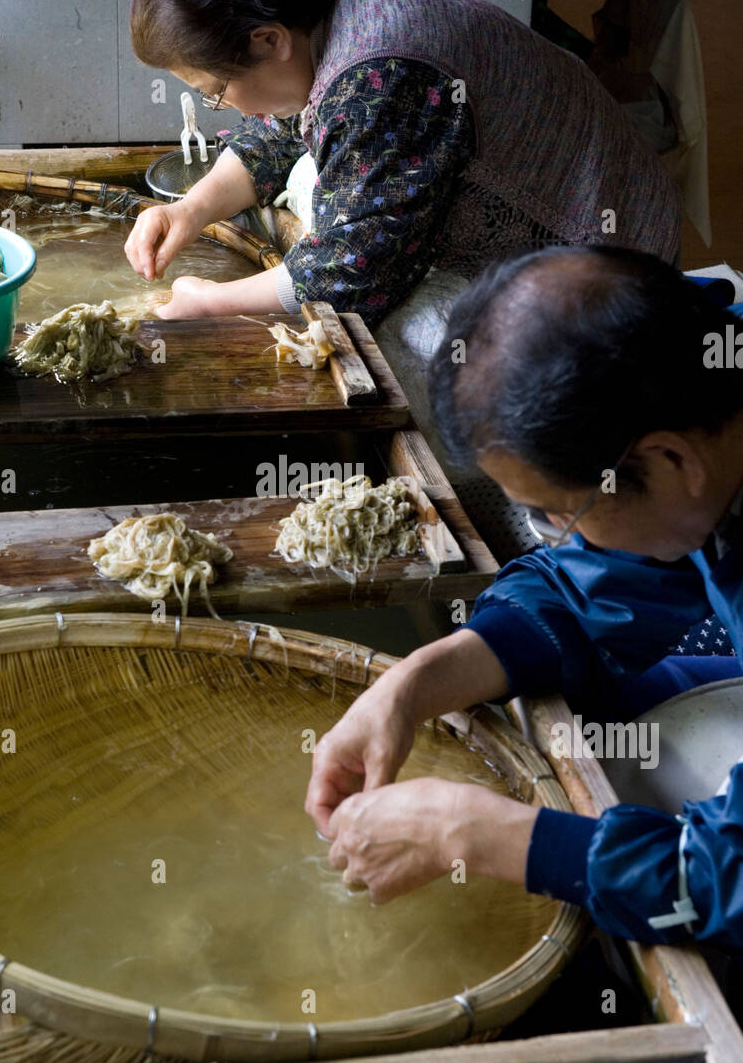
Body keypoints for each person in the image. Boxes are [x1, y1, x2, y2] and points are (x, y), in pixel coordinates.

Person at [306, 247, 743, 949]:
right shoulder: (704, 402)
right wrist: (411, 685)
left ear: (669, 461)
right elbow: (592, 587)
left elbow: (732, 879)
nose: (549, 535)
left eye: (552, 512)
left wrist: (483, 836)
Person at [124, 0, 683, 324]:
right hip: (592, 199)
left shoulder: (385, 75)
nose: (232, 109)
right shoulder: (324, 6)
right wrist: (188, 210)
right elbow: (279, 129)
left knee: (424, 344)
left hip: (606, 254)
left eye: (218, 92)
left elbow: (354, 274)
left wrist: (209, 301)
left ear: (270, 39)